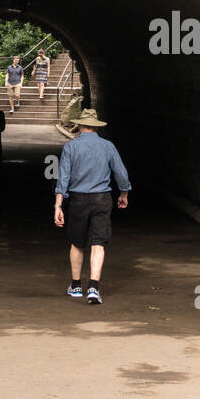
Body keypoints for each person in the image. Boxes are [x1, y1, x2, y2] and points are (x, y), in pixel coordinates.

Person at [53, 108, 130, 305]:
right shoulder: (108, 146)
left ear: (79, 125)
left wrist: (58, 205)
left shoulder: (71, 148)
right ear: (95, 127)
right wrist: (124, 193)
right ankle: (94, 288)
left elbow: (63, 178)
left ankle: (76, 285)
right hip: (102, 198)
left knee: (77, 242)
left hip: (78, 199)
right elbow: (120, 172)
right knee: (98, 242)